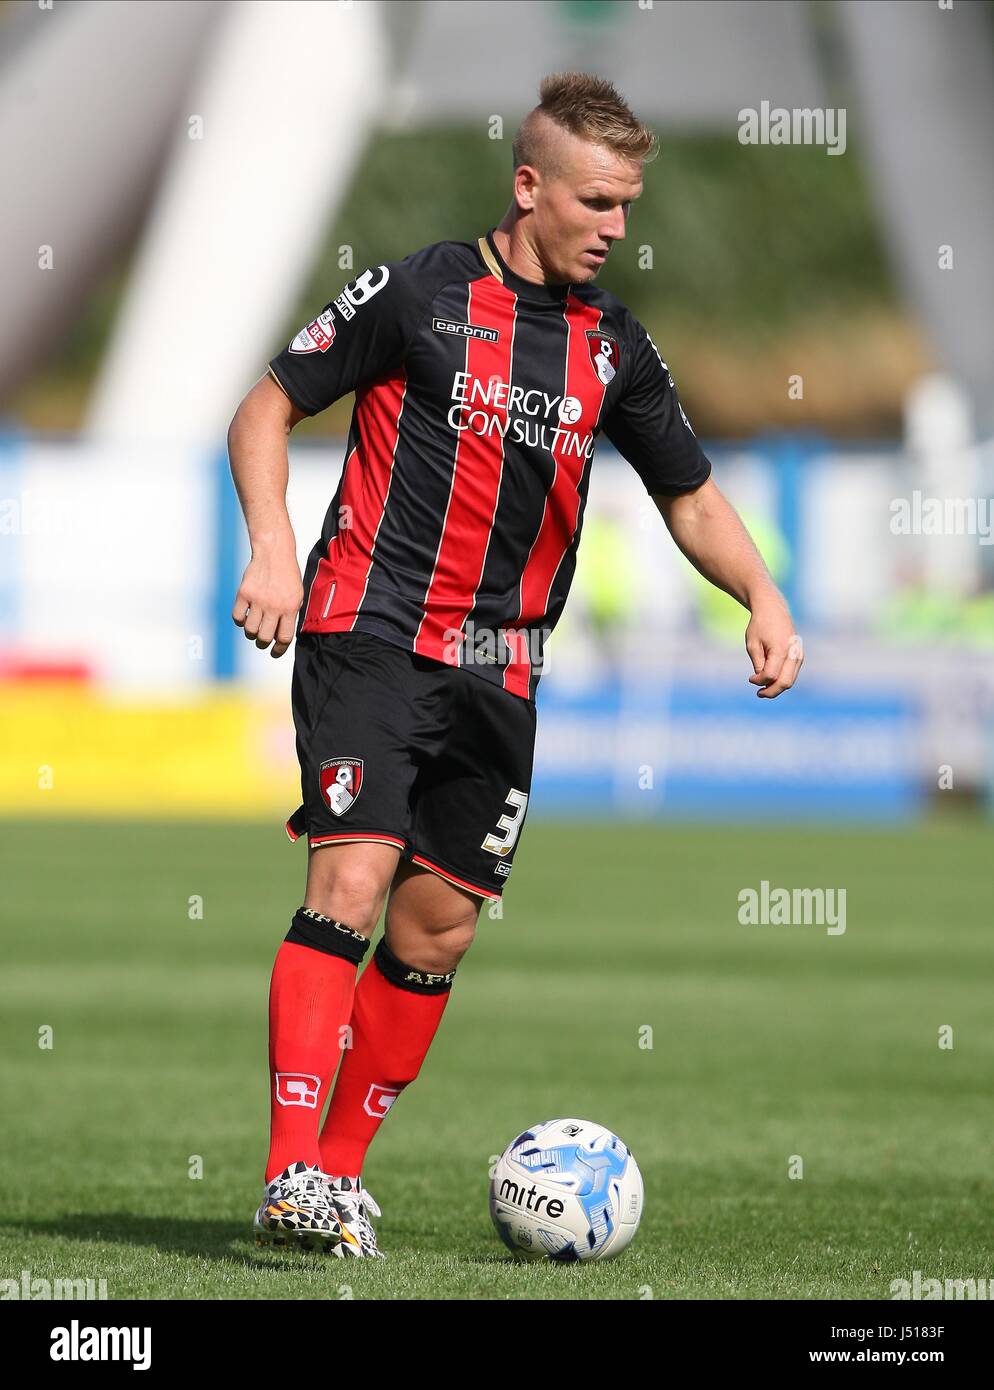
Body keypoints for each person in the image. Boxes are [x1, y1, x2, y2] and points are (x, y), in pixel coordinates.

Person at [226, 71, 803, 1259]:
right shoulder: (418, 292)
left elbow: (687, 495)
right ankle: (290, 1169)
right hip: (371, 627)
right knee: (351, 879)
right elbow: (266, 407)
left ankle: (337, 1175)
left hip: (503, 665)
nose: (616, 226)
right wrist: (276, 552)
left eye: (629, 204)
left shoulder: (612, 347)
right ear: (528, 186)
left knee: (435, 930)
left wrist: (761, 591)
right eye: (597, 201)